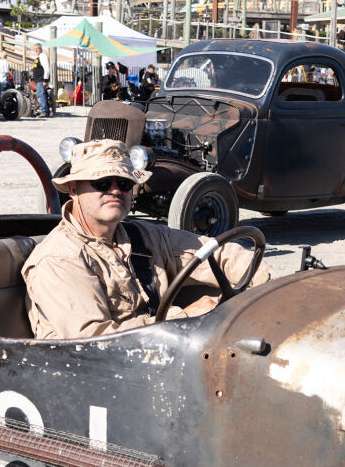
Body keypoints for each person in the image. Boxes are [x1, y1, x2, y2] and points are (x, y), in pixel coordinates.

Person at [21, 140, 270, 340]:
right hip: (96, 378)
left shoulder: (144, 237)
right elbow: (91, 342)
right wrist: (187, 316)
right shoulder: (59, 259)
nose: (116, 190)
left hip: (159, 354)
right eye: (102, 183)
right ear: (74, 189)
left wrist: (269, 288)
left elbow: (214, 253)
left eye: (125, 183)